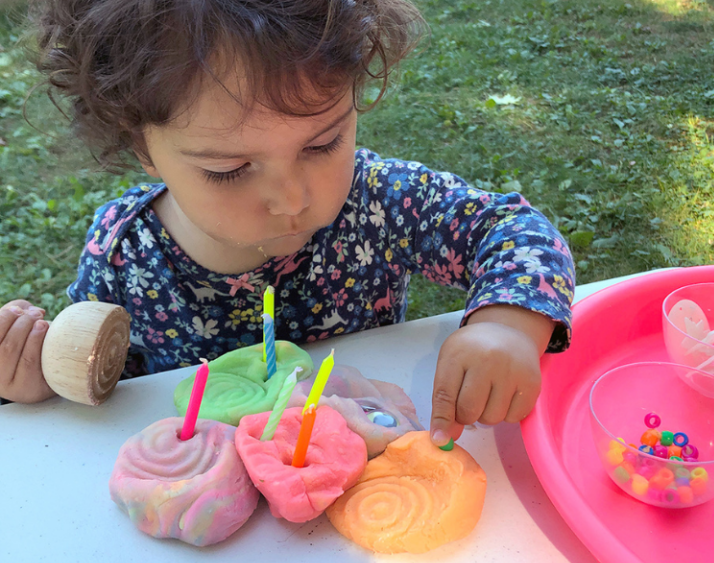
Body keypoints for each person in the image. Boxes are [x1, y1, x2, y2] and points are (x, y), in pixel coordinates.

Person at [0, 0, 575, 447]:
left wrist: (507, 324)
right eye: (228, 170)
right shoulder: (123, 253)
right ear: (141, 146)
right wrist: (44, 380)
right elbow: (105, 380)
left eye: (323, 143)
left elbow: (510, 230)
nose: (292, 198)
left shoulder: (380, 201)